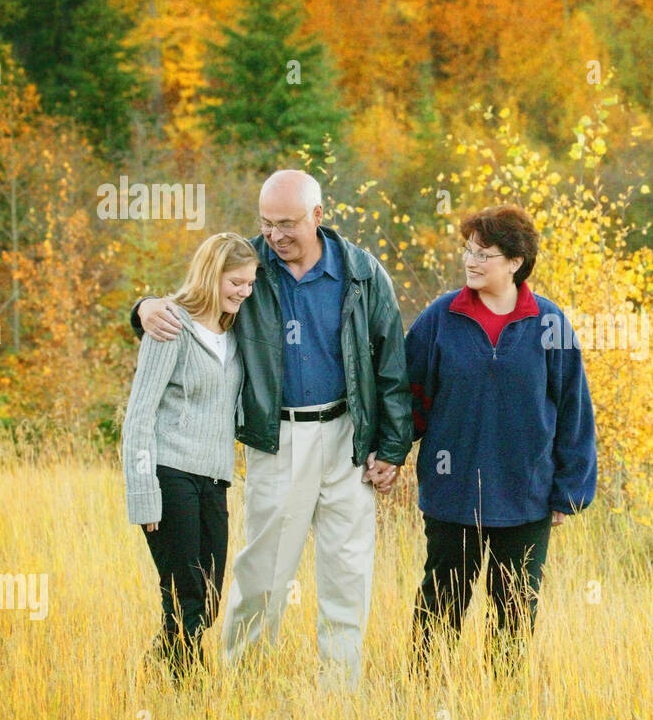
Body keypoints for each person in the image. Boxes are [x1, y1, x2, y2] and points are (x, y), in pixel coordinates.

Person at [130, 170, 412, 691]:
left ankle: (339, 694)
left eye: (287, 223)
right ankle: (247, 686)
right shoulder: (250, 266)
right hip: (277, 439)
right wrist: (143, 308)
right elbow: (190, 302)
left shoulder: (363, 273)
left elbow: (392, 363)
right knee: (262, 575)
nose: (277, 235)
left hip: (349, 439)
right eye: (267, 223)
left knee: (347, 574)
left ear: (318, 217)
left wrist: (392, 447)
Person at [404, 204, 597, 673]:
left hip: (524, 494)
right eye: (468, 251)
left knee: (514, 609)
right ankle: (424, 694)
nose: (471, 261)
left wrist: (568, 492)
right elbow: (408, 394)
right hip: (453, 493)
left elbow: (574, 411)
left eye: (484, 254)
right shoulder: (440, 317)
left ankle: (503, 709)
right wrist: (388, 453)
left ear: (515, 262)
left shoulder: (549, 323)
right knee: (440, 604)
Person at [122, 232, 258, 683]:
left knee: (211, 596)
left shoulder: (236, 332)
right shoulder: (169, 326)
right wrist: (143, 493)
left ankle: (153, 675)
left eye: (250, 284)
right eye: (235, 282)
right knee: (184, 596)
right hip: (169, 473)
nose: (244, 292)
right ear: (210, 275)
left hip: (214, 477)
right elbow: (139, 416)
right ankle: (184, 691)